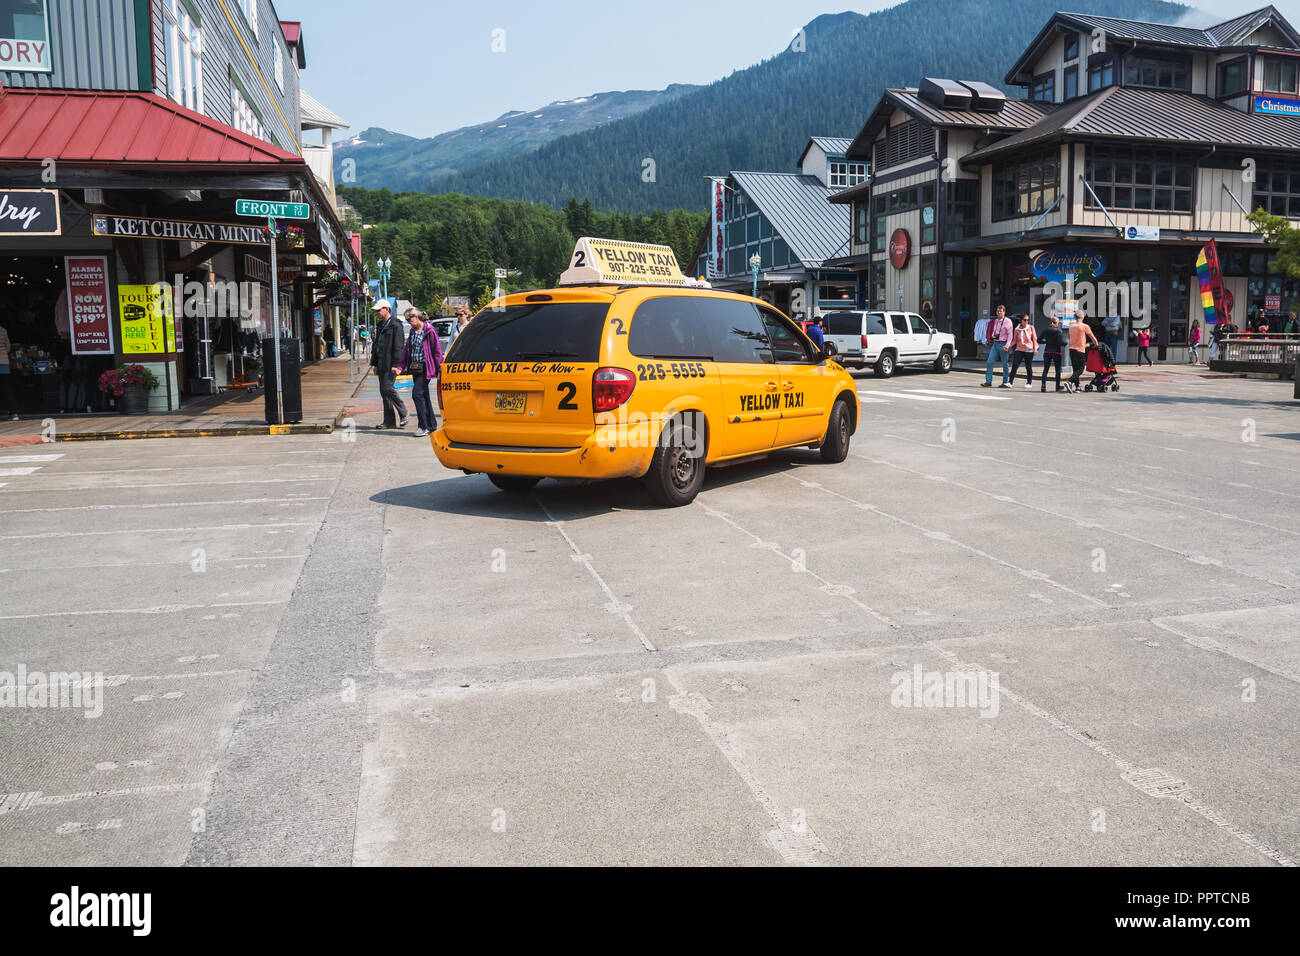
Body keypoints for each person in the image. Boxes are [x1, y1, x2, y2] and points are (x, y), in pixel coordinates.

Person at [401, 310, 443, 437]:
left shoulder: (429, 330)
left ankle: (422, 426)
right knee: (424, 396)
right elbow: (407, 350)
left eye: (409, 320)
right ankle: (432, 425)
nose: (409, 323)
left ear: (416, 317)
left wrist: (440, 366)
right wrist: (400, 366)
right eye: (407, 320)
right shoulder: (413, 332)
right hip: (416, 368)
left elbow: (436, 350)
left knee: (417, 394)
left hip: (426, 367)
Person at [370, 300, 407, 430]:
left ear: (387, 309)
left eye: (379, 310)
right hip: (381, 363)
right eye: (376, 310)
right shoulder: (381, 325)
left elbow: (399, 346)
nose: (377, 313)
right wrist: (374, 363)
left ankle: (403, 412)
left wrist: (396, 364)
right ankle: (389, 421)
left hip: (391, 363)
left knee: (387, 388)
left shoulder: (396, 325)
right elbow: (376, 345)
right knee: (384, 392)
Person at [1066, 311, 1098, 392]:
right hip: (1080, 349)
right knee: (1081, 368)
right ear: (1082, 317)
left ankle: (1077, 387)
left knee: (1075, 368)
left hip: (1072, 349)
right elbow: (1092, 336)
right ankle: (1070, 381)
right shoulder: (1084, 326)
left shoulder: (1071, 326)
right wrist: (1096, 343)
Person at [982, 304, 1013, 388]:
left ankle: (1005, 382)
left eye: (1000, 311)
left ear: (1004, 312)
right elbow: (995, 331)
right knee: (990, 361)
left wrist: (1007, 345)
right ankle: (988, 381)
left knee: (1004, 363)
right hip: (995, 343)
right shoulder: (995, 321)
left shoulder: (1008, 321)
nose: (999, 312)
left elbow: (1010, 335)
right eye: (998, 311)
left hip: (1003, 343)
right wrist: (992, 336)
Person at [1008, 313, 1038, 389]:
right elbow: (1014, 340)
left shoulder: (1031, 328)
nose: (1026, 321)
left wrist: (1035, 349)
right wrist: (1008, 346)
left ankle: (1029, 382)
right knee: (1015, 365)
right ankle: (1010, 382)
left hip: (1029, 349)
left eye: (1028, 320)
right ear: (1021, 320)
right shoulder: (1017, 329)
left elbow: (1034, 339)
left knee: (1028, 366)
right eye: (1025, 320)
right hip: (1019, 349)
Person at [1040, 316, 1065, 392]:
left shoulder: (1046, 330)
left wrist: (1046, 342)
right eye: (1058, 323)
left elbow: (1039, 339)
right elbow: (1062, 342)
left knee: (1045, 370)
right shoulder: (1058, 331)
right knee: (1057, 370)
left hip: (1047, 351)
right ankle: (1057, 386)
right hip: (1056, 352)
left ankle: (1043, 386)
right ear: (1056, 323)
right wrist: (1065, 343)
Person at [0, 322, 17, 420]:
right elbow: (8, 347)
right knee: (7, 388)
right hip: (4, 363)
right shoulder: (3, 330)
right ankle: (14, 413)